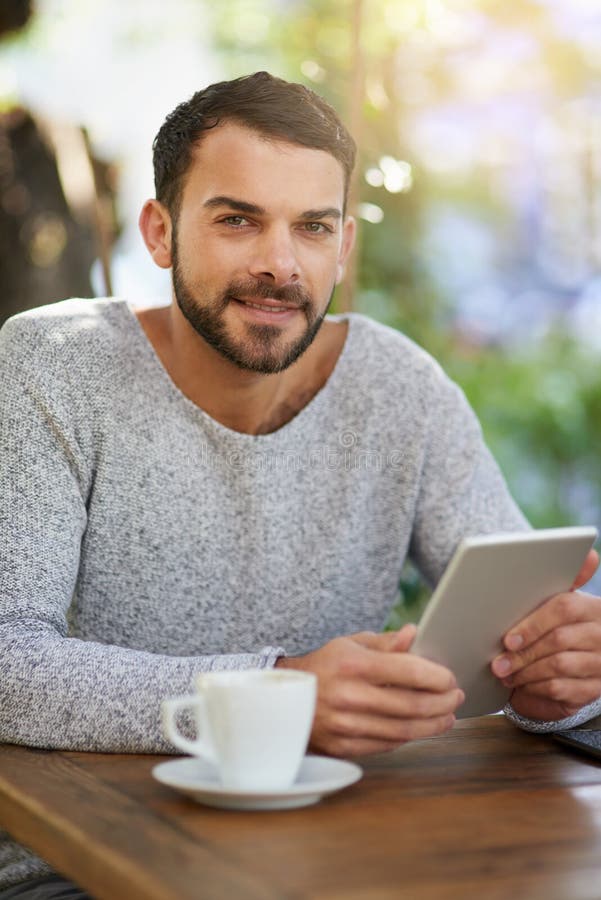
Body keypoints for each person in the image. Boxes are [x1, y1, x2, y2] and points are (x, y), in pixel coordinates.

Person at [0, 71, 600, 898]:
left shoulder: (400, 389)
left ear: (343, 246)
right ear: (160, 231)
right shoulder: (52, 367)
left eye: (311, 228)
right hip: (78, 868)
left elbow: (521, 635)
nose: (279, 264)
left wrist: (558, 676)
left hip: (355, 854)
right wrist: (280, 689)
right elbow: (7, 662)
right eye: (238, 220)